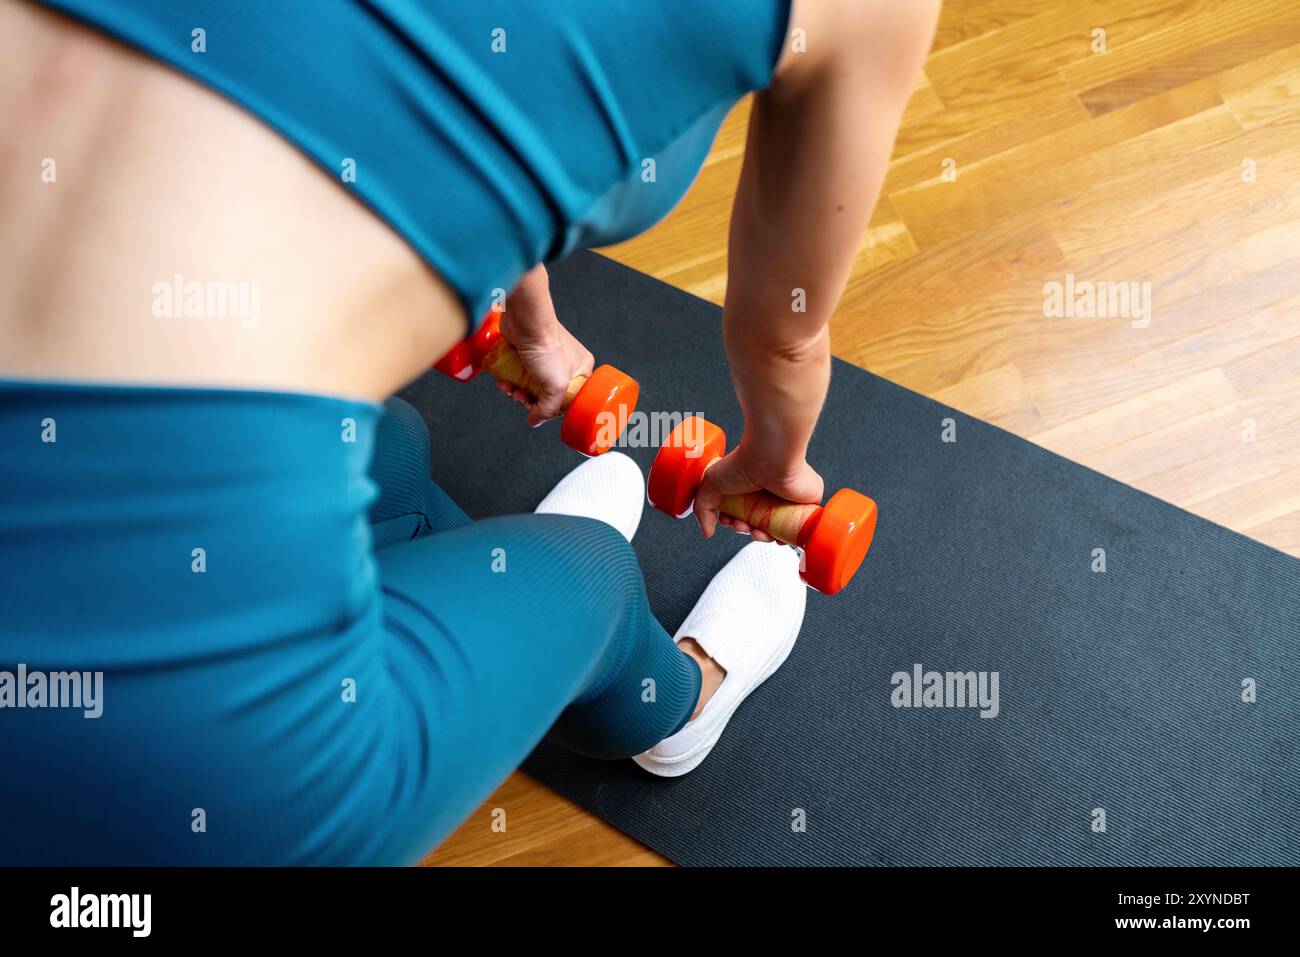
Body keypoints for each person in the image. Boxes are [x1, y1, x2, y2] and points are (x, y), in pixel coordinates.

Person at [0, 0, 940, 863]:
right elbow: (784, 334)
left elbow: (430, 100)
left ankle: (498, 585)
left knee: (391, 453)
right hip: (175, 776)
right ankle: (676, 705)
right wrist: (769, 466)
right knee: (599, 581)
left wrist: (530, 325)